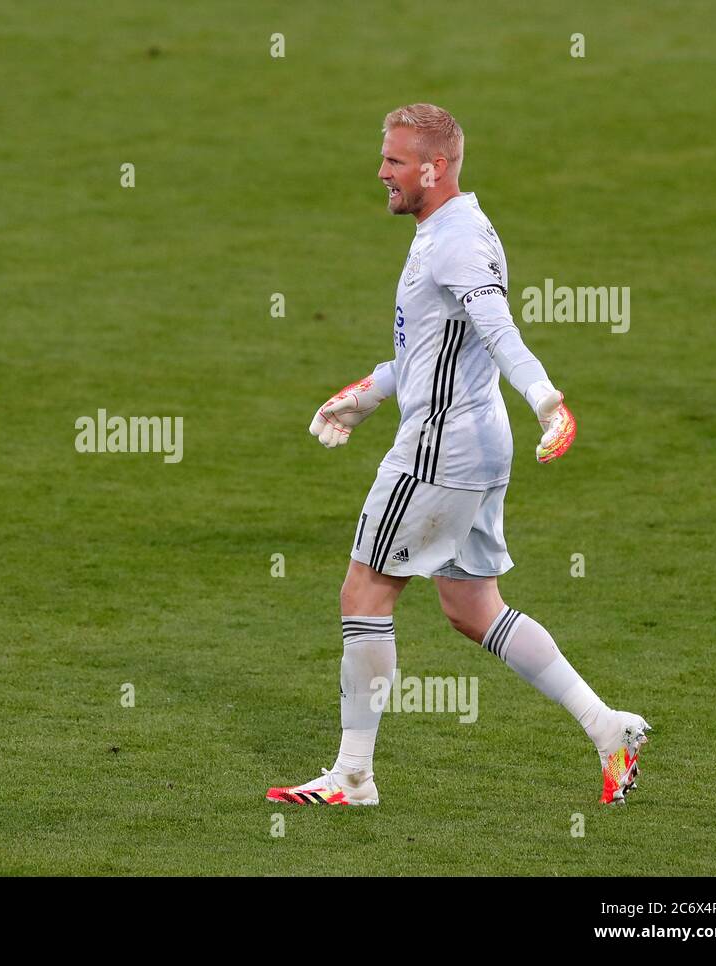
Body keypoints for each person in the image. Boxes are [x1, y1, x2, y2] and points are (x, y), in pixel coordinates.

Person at [267, 104, 648, 808]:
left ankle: (353, 776)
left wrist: (547, 399)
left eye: (394, 161)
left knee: (364, 593)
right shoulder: (452, 229)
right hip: (478, 438)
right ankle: (608, 727)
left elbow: (499, 330)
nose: (381, 172)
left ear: (433, 168)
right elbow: (434, 347)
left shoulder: (457, 243)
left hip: (440, 448)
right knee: (473, 607)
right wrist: (369, 393)